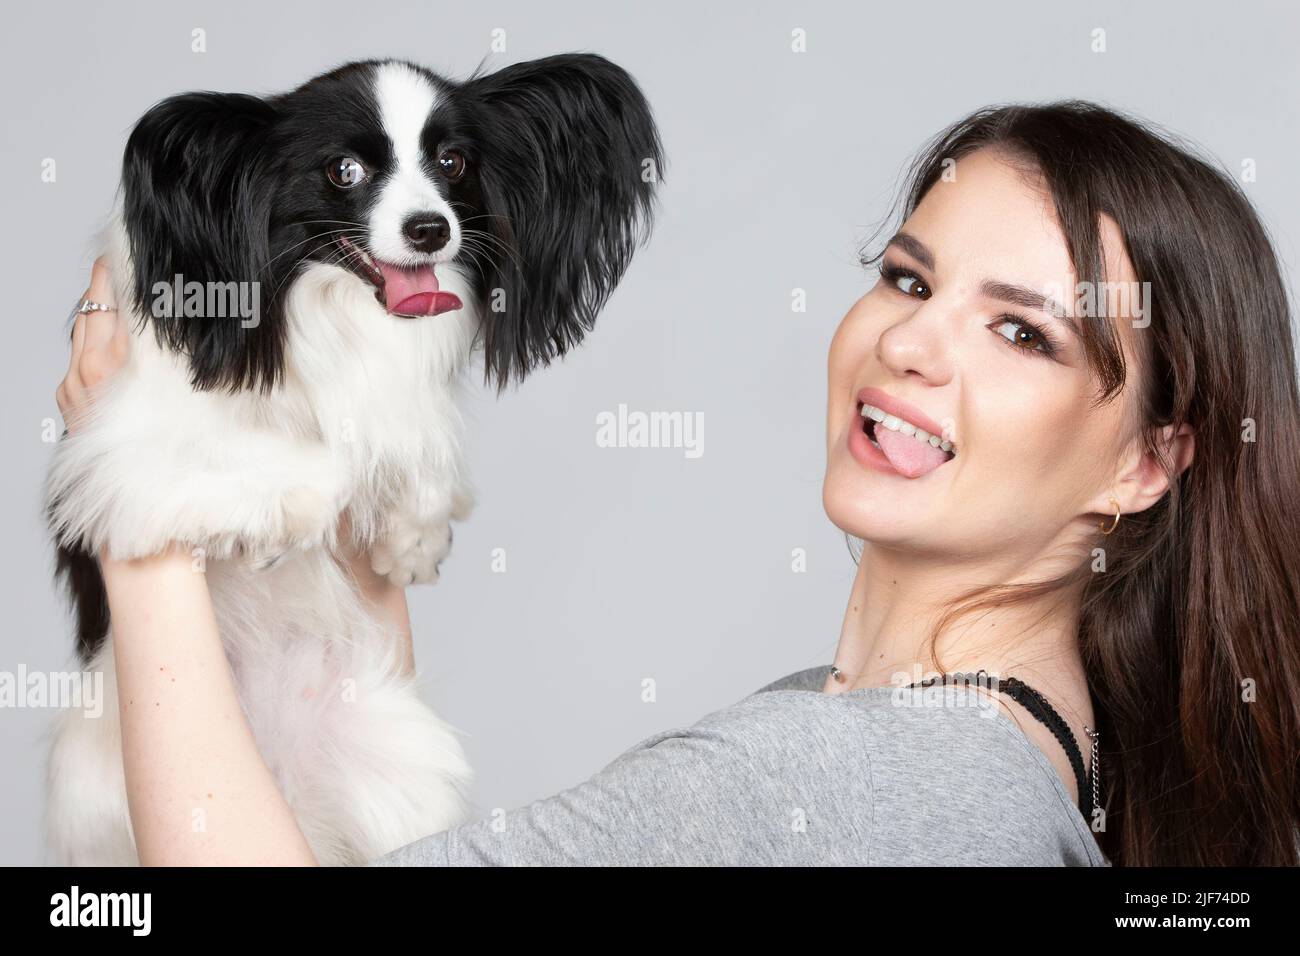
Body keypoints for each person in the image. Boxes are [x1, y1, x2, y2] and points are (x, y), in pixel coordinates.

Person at [55, 101, 1300, 867]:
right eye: (911, 280)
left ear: (1147, 461)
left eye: (1022, 332)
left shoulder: (858, 780)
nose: (912, 345)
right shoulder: (1017, 766)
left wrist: (140, 488)